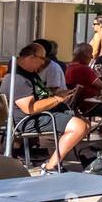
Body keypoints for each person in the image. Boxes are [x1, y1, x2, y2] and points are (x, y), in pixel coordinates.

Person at [9, 42, 90, 173]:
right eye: (42, 58)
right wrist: (56, 99)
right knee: (79, 126)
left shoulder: (30, 73)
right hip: (30, 120)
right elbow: (30, 108)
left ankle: (71, 159)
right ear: (31, 57)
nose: (43, 63)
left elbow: (40, 94)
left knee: (84, 124)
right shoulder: (19, 78)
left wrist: (59, 95)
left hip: (43, 113)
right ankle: (50, 167)